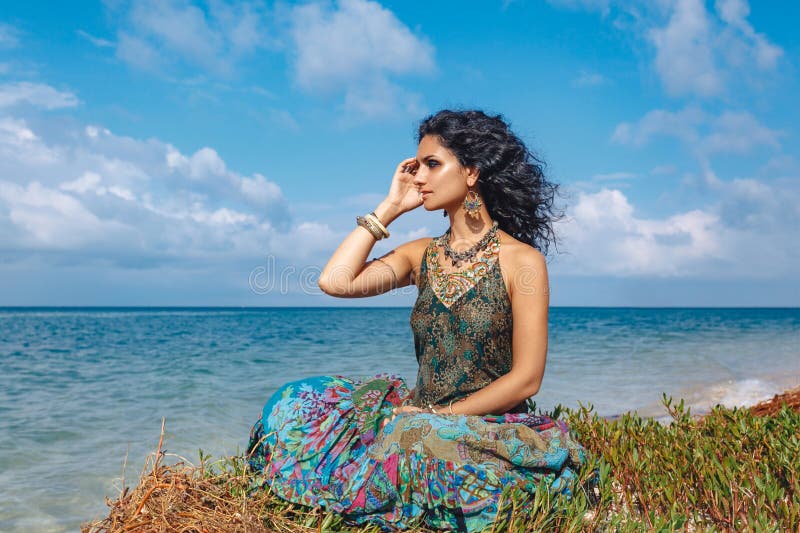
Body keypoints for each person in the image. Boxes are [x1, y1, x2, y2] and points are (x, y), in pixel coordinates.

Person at [246, 109, 588, 532]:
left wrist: (444, 416)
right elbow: (335, 282)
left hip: (479, 427)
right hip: (414, 413)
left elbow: (526, 380)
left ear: (471, 173)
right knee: (296, 400)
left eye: (432, 164)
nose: (419, 178)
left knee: (437, 455)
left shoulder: (523, 262)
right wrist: (388, 208)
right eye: (416, 166)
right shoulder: (420, 255)